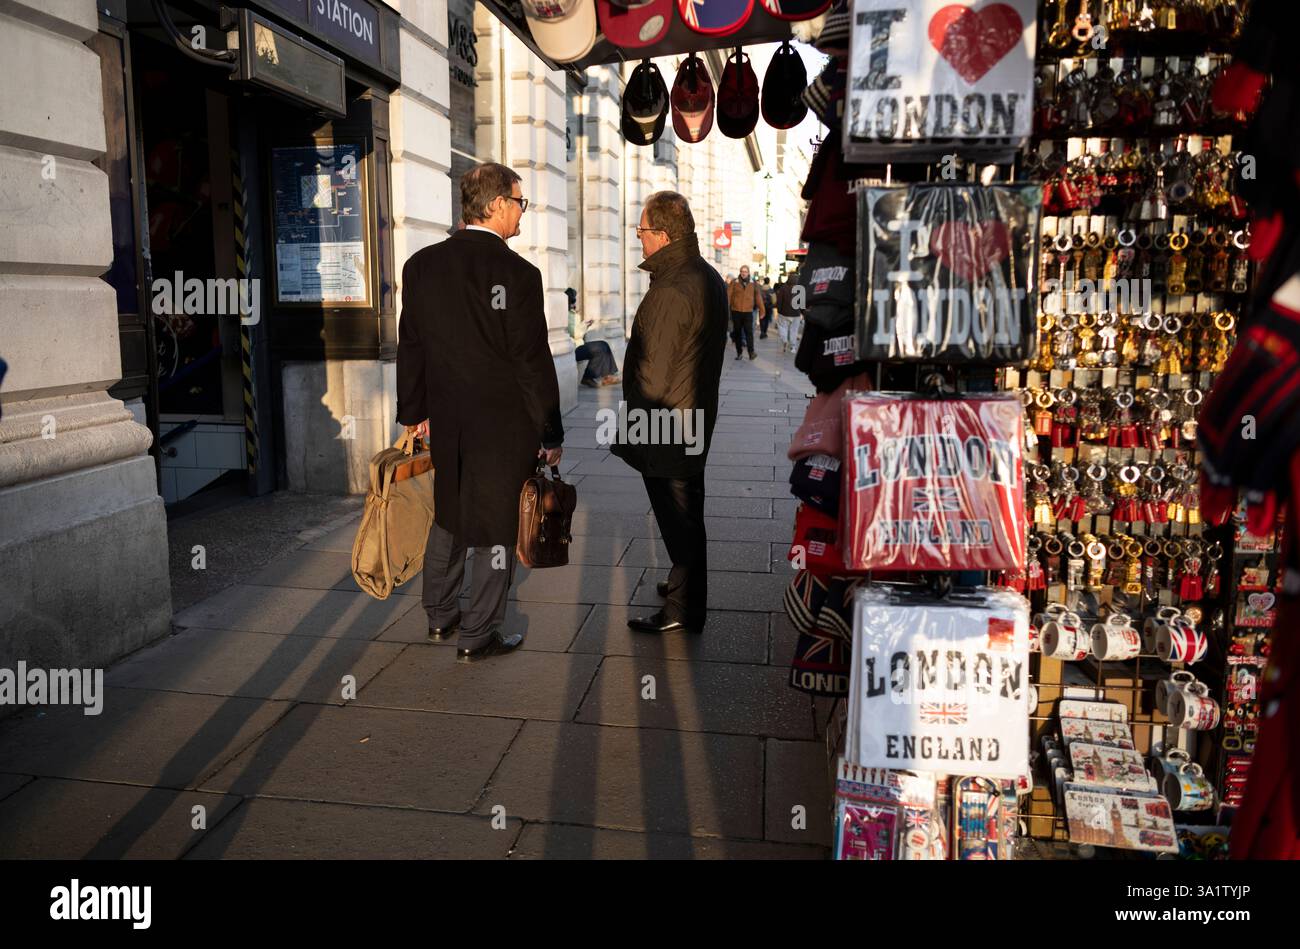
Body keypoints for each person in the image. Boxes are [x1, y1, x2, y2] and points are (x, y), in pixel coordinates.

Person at [396, 162, 564, 663]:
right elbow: (531, 359)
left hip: (447, 417)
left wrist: (413, 413)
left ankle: (439, 617)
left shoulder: (422, 265)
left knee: (448, 511)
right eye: (519, 202)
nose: (522, 214)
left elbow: (413, 346)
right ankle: (479, 634)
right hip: (503, 423)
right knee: (495, 524)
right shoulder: (518, 274)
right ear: (494, 206)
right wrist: (549, 428)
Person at [613, 191, 728, 633]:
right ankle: (684, 587)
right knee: (686, 516)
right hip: (688, 419)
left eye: (641, 231)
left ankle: (683, 609)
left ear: (661, 235)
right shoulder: (704, 275)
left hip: (667, 426)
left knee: (680, 520)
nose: (639, 240)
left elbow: (652, 374)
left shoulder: (673, 288)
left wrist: (635, 431)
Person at [566, 287, 620, 387]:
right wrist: (585, 325)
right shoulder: (566, 315)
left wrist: (585, 324)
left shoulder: (572, 314)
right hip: (574, 349)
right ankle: (588, 377)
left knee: (604, 344)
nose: (575, 303)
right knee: (599, 348)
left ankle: (608, 375)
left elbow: (576, 330)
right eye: (574, 300)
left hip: (579, 345)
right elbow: (576, 333)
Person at [726, 265, 765, 360]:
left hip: (748, 312)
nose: (744, 273)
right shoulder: (734, 282)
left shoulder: (753, 283)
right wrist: (725, 309)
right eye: (742, 271)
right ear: (740, 272)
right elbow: (728, 296)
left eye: (745, 271)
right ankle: (739, 353)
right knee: (737, 333)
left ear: (748, 272)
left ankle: (751, 352)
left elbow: (758, 297)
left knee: (749, 333)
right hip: (736, 311)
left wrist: (762, 310)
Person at [775, 271, 804, 354]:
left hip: (784, 313)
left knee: (782, 327)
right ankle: (793, 347)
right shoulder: (800, 289)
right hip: (796, 314)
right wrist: (802, 313)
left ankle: (784, 340)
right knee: (794, 330)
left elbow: (779, 301)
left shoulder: (783, 288)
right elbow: (802, 303)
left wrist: (779, 311)